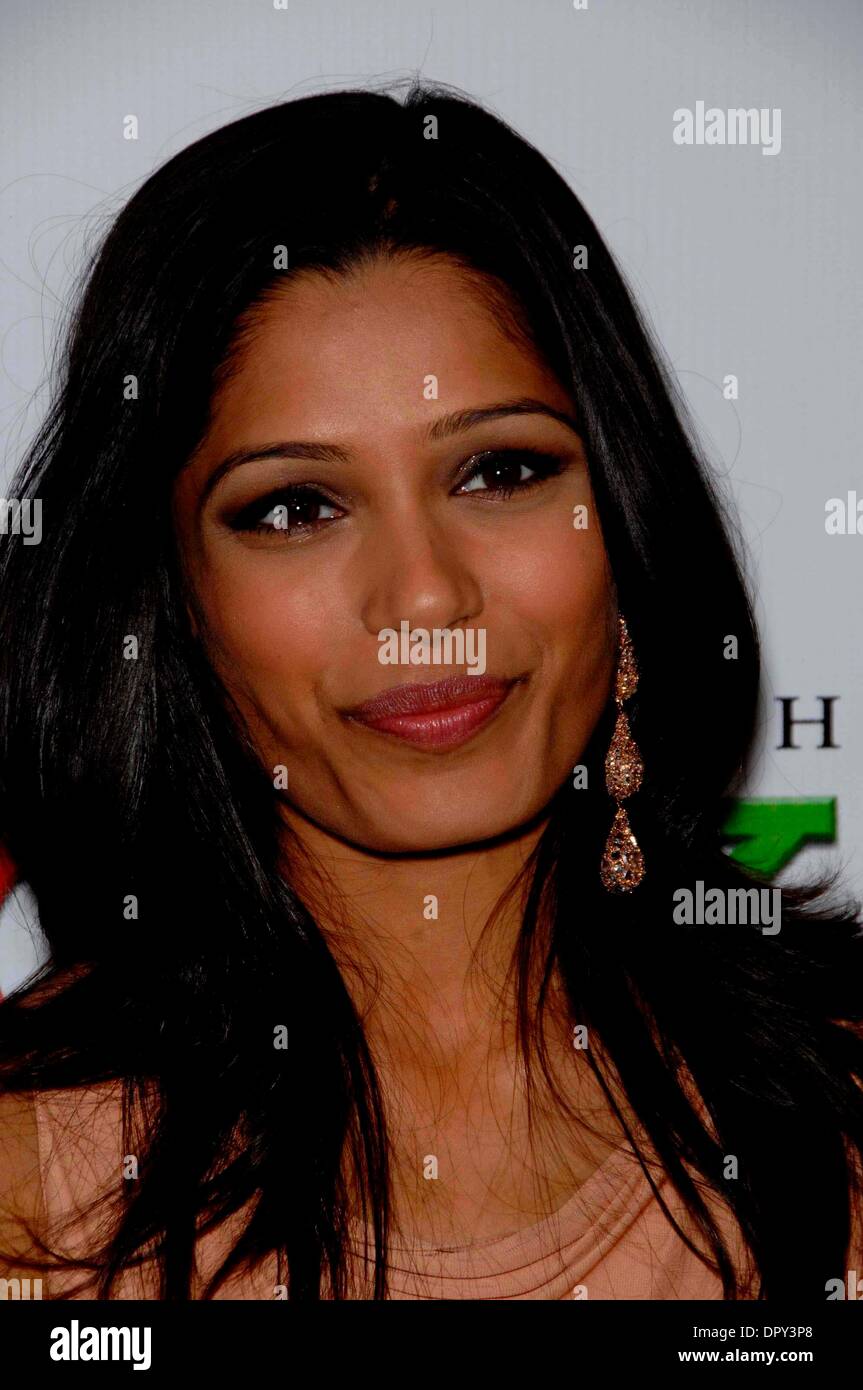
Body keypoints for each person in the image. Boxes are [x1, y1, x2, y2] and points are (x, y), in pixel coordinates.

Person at [0, 80, 861, 1302]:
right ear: (172, 603)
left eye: (499, 470)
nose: (422, 599)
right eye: (294, 506)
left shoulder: (840, 1117)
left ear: (620, 519)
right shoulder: (30, 1198)